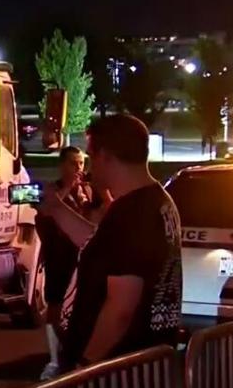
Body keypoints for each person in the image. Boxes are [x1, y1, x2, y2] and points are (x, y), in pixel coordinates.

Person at [36, 114, 182, 372]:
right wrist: (57, 210)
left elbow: (120, 310)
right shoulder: (156, 202)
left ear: (106, 156)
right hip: (143, 363)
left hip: (116, 374)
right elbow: (103, 246)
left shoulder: (133, 215)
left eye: (91, 156)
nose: (89, 168)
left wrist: (84, 366)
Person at [34, 146, 94, 380]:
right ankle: (53, 359)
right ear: (62, 165)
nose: (78, 168)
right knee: (55, 307)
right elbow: (46, 211)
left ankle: (74, 354)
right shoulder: (54, 189)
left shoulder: (88, 191)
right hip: (58, 256)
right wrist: (70, 187)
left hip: (81, 258)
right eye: (73, 163)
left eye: (81, 163)